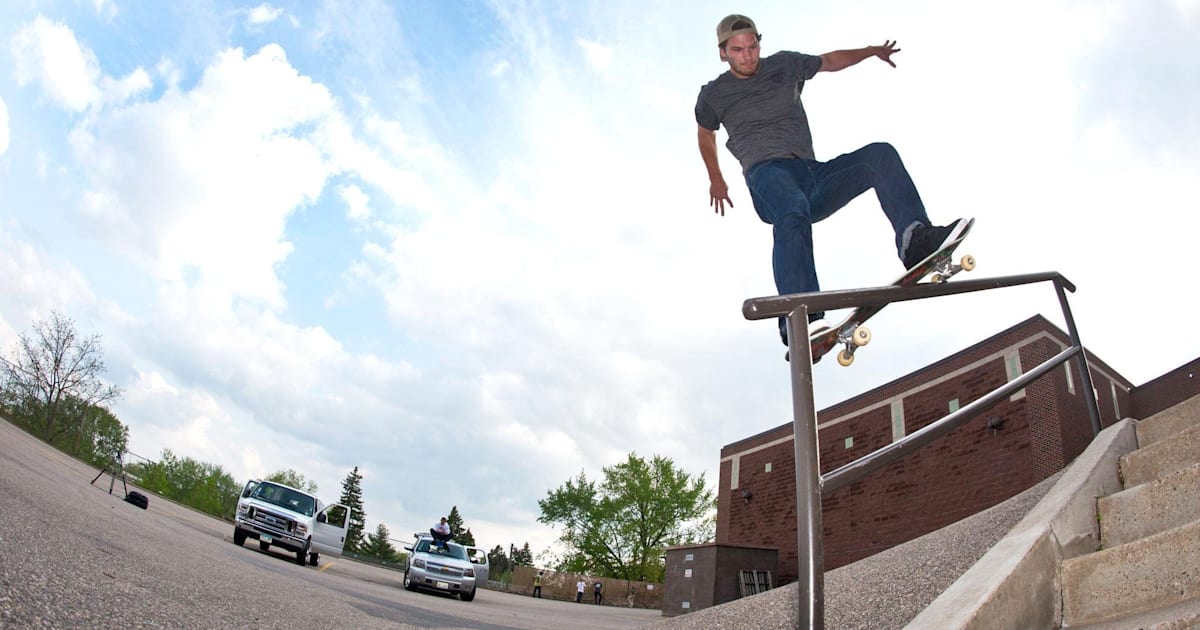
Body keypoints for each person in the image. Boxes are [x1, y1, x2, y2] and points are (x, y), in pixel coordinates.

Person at [695, 14, 969, 349]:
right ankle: (801, 316)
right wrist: (716, 178)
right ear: (723, 53)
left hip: (814, 176)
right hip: (767, 176)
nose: (748, 56)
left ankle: (916, 241)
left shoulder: (784, 65)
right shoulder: (714, 94)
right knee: (791, 208)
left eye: (753, 46)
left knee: (879, 156)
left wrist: (870, 51)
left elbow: (830, 61)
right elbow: (705, 134)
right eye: (738, 50)